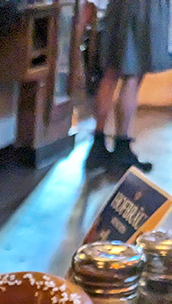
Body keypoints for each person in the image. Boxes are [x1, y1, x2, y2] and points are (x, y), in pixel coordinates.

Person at [84, 0, 172, 174]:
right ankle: (122, 148)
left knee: (110, 73)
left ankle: (97, 145)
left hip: (118, 5)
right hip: (145, 7)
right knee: (133, 72)